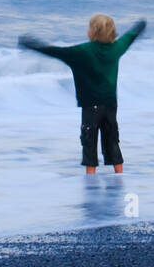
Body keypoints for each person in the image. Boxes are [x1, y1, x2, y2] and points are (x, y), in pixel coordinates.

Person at [19, 14, 146, 173]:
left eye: (89, 27)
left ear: (93, 31)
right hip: (111, 105)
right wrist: (141, 25)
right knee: (112, 141)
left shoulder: (81, 52)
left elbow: (55, 51)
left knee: (89, 144)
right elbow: (130, 36)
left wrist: (32, 44)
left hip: (90, 107)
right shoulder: (116, 48)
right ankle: (119, 176)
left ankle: (91, 183)